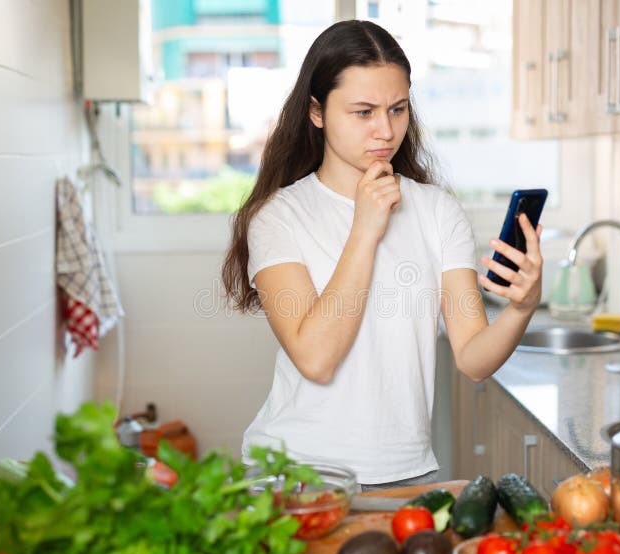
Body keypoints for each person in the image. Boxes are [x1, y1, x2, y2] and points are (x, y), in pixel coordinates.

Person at [222, 20, 543, 490]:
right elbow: (316, 359)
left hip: (405, 473)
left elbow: (473, 359)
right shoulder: (279, 217)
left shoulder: (436, 210)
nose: (385, 131)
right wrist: (365, 230)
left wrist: (522, 307)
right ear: (317, 111)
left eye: (397, 109)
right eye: (363, 112)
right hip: (294, 474)